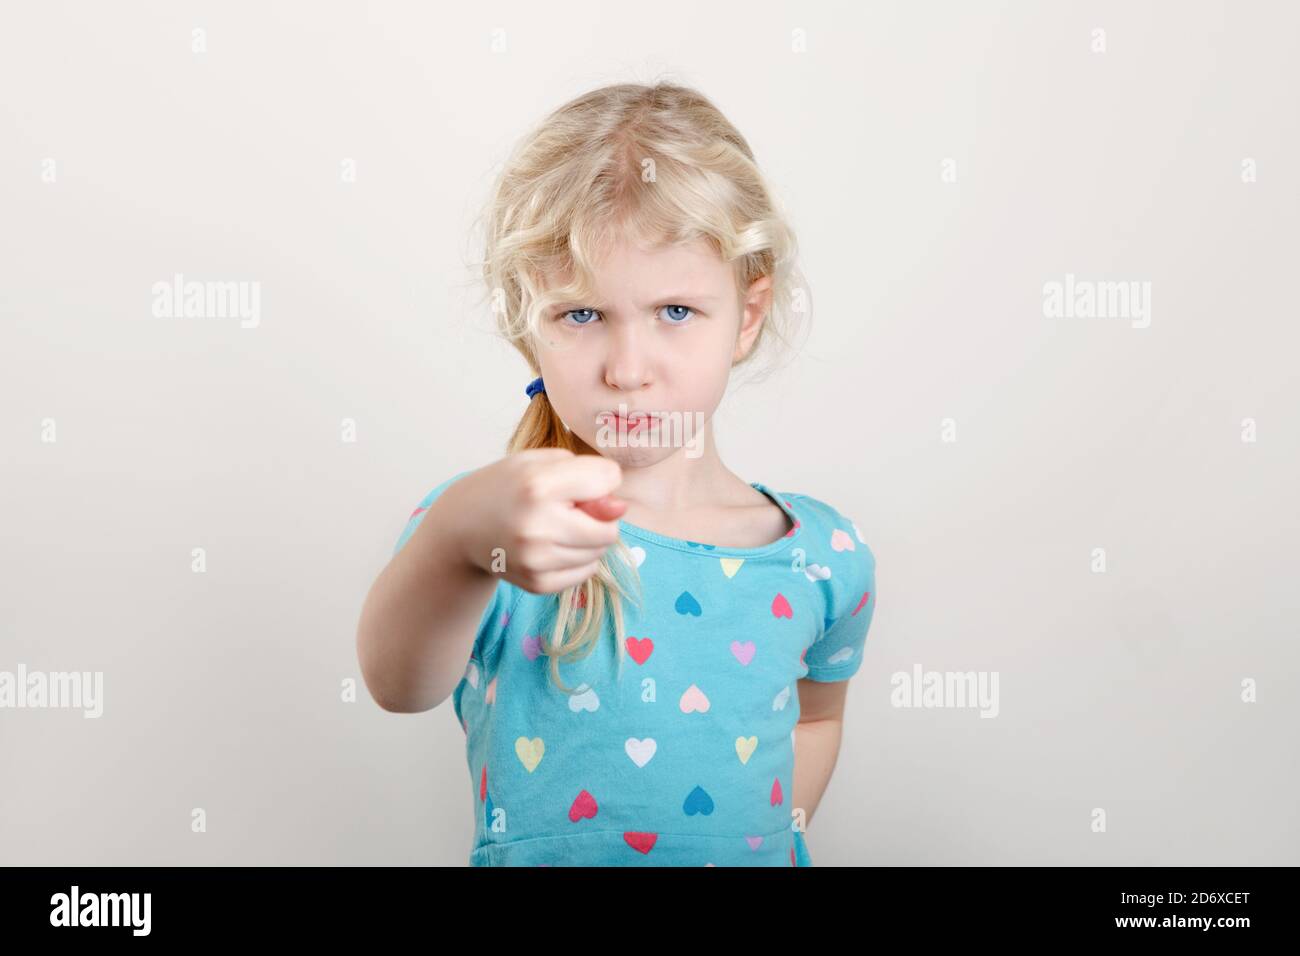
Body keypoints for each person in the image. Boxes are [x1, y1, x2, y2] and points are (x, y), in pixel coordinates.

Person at [356, 81, 877, 866]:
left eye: (675, 312)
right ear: (528, 327)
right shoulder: (502, 532)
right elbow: (398, 685)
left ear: (750, 313)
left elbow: (814, 719)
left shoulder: (823, 556)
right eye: (582, 315)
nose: (629, 370)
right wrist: (457, 538)